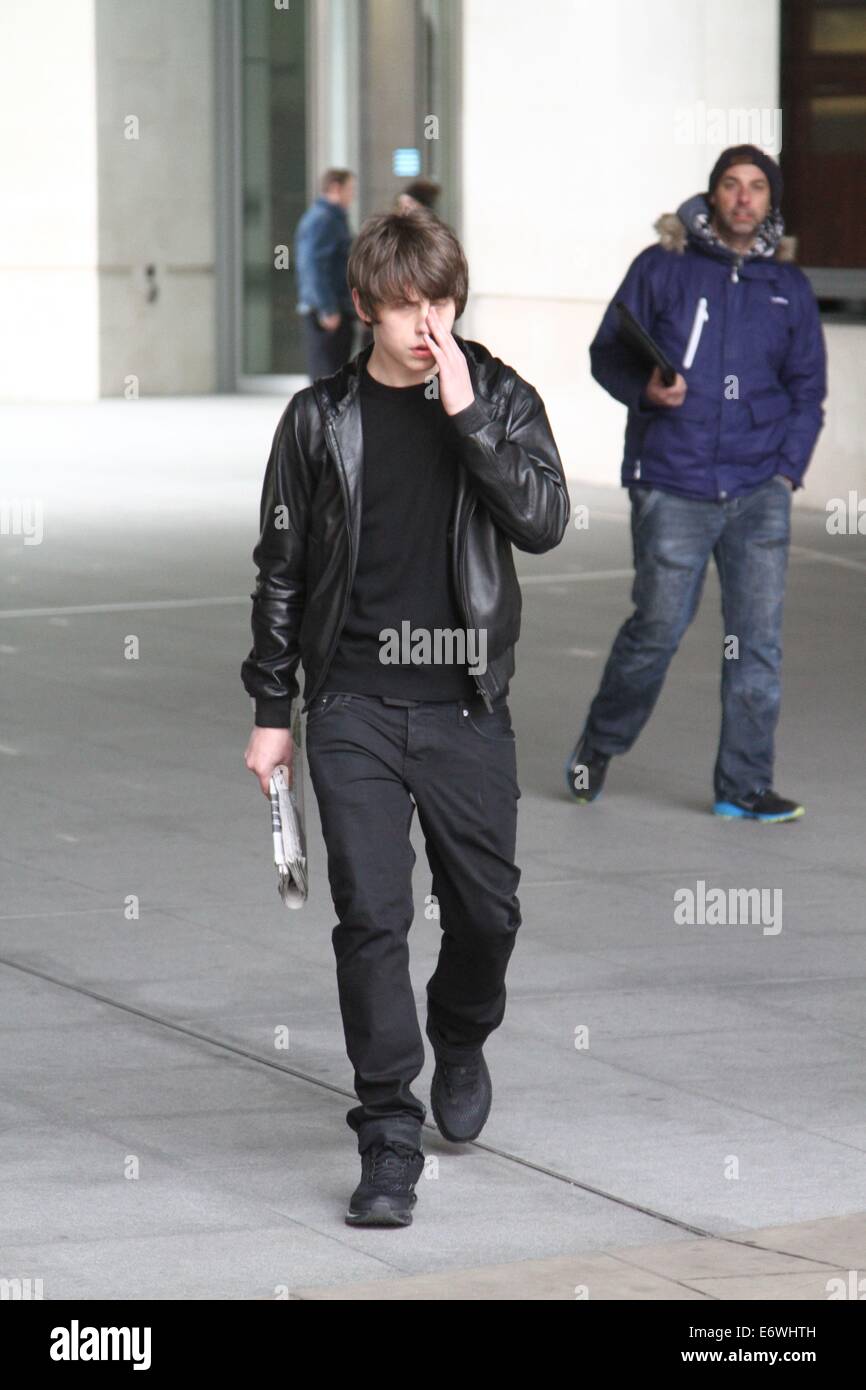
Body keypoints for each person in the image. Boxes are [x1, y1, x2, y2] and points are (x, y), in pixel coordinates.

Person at [242, 209, 569, 1226]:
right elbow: (281, 571)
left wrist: (468, 414)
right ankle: (387, 1132)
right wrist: (271, 709)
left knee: (487, 912)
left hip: (465, 699)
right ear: (363, 308)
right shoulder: (316, 419)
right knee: (370, 918)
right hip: (352, 704)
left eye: (442, 302)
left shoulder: (501, 394)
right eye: (406, 307)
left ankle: (460, 1032)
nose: (429, 323)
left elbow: (544, 522)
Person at [565, 145, 826, 822]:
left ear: (771, 203)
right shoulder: (662, 269)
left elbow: (808, 390)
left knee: (757, 642)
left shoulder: (787, 288)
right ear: (712, 196)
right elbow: (606, 354)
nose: (744, 199)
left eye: (757, 188)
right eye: (731, 186)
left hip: (757, 490)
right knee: (656, 629)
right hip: (672, 482)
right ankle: (600, 743)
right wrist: (645, 390)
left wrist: (784, 471)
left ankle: (742, 786)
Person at [294, 168, 356, 380]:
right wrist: (327, 308)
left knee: (335, 376)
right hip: (329, 311)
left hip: (336, 307)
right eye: (349, 189)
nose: (352, 196)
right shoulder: (323, 220)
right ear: (336, 188)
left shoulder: (333, 219)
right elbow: (313, 266)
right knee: (327, 377)